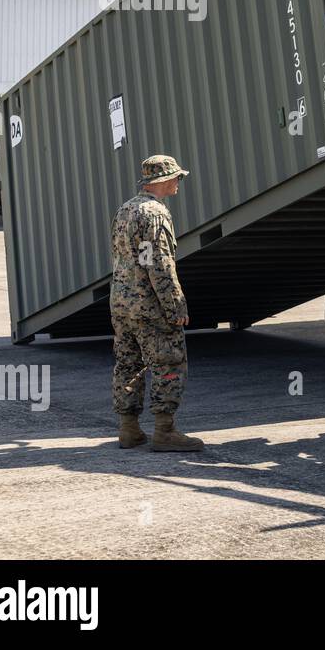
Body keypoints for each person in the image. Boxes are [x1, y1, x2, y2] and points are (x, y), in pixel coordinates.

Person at [110, 155, 204, 452]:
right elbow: (158, 264)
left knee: (128, 364)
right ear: (163, 180)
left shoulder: (126, 209)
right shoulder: (155, 214)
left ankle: (128, 429)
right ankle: (165, 431)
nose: (179, 182)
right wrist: (176, 305)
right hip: (149, 305)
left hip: (122, 303)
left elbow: (125, 257)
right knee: (168, 362)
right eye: (177, 177)